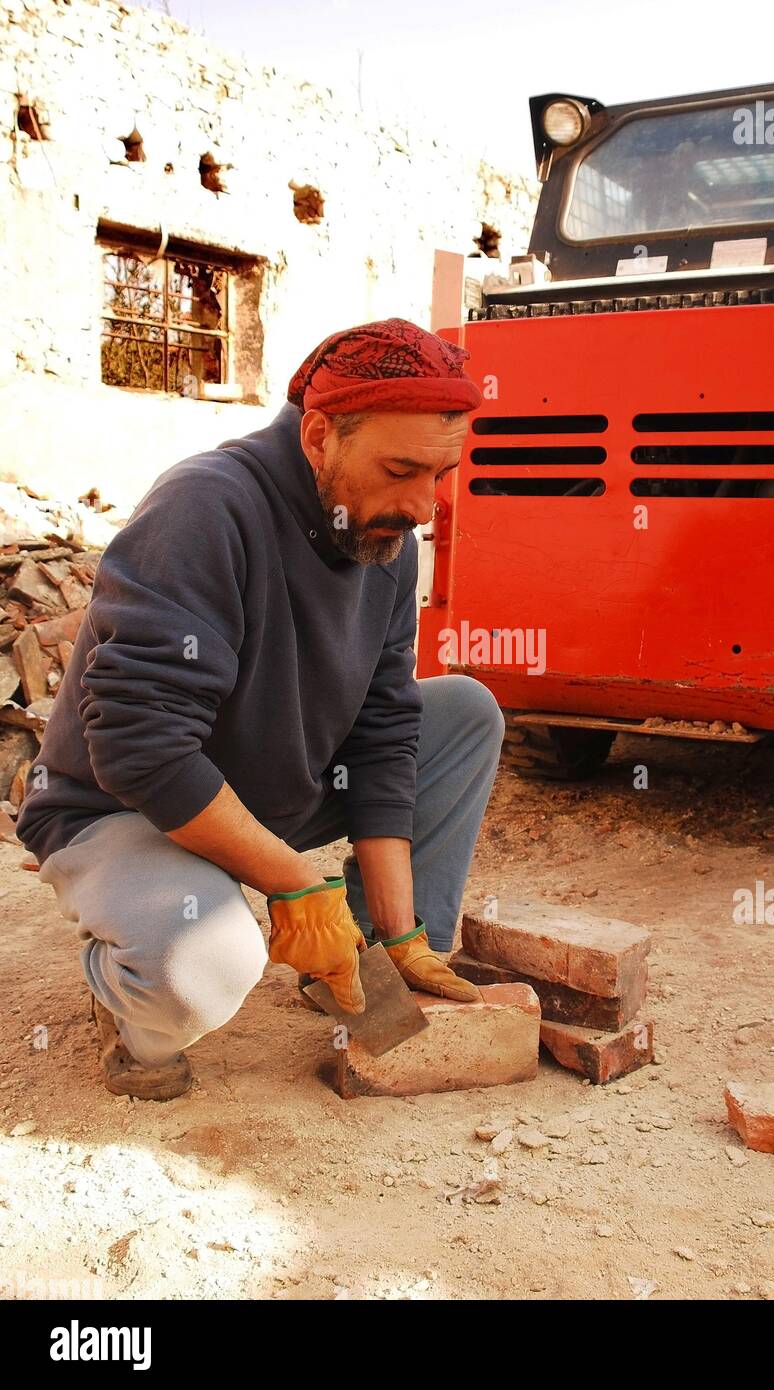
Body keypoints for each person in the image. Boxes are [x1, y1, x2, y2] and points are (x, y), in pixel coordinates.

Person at [16, 317, 505, 1101]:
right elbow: (142, 748)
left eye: (440, 474)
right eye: (402, 470)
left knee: (465, 712)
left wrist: (398, 927)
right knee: (204, 964)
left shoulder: (383, 533)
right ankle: (128, 1001)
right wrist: (293, 883)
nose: (424, 506)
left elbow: (383, 730)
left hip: (263, 793)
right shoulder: (204, 509)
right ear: (319, 436)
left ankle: (369, 959)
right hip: (122, 808)